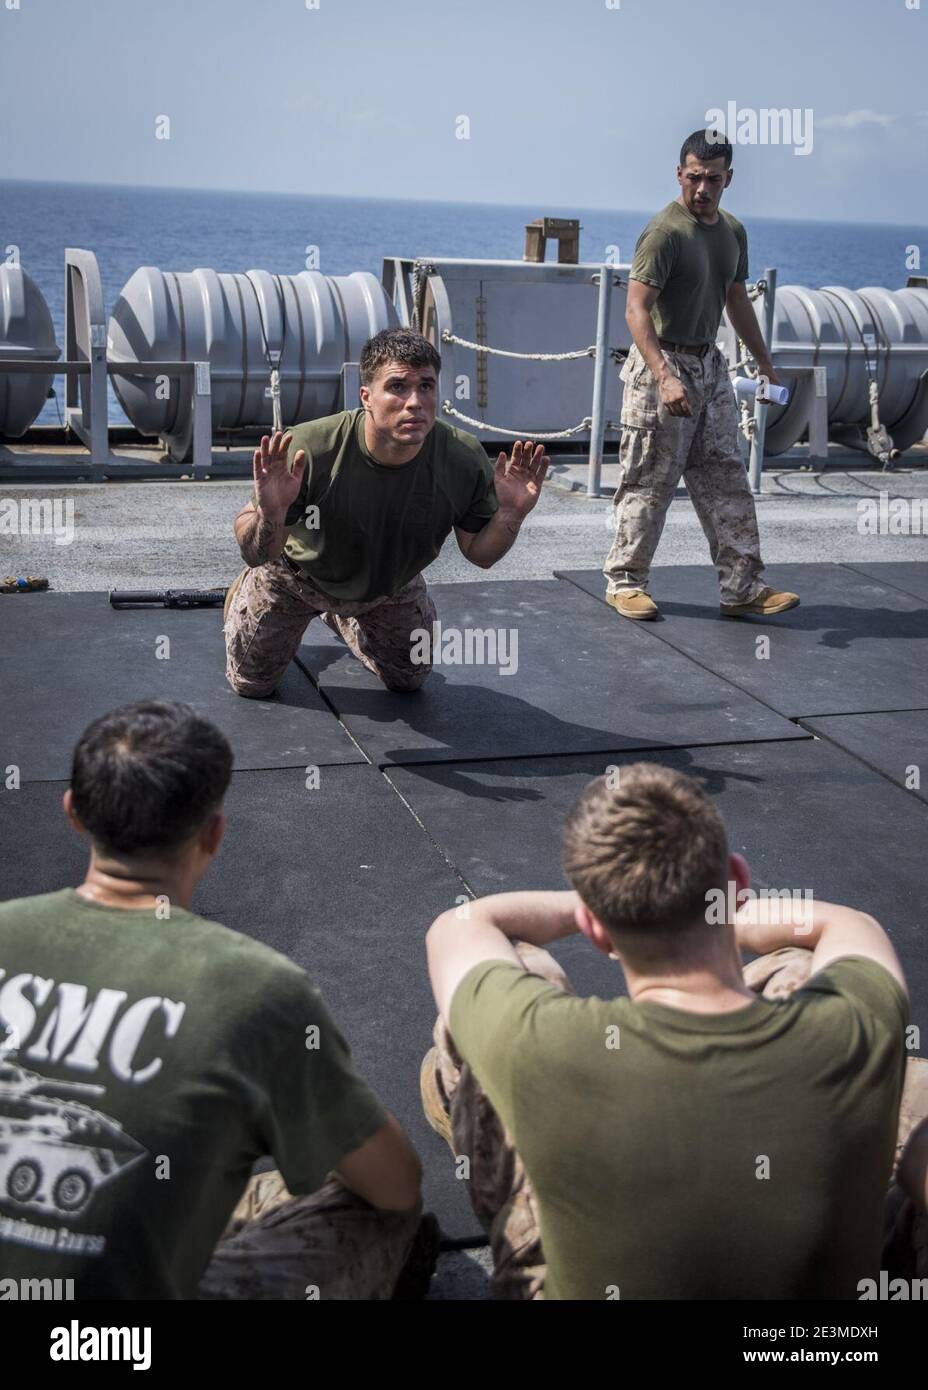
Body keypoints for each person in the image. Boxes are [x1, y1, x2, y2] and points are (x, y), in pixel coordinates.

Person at [422, 761, 923, 1300]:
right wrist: (722, 911)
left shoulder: (539, 1044)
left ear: (594, 927)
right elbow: (849, 926)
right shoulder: (857, 1028)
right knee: (798, 963)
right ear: (736, 881)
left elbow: (462, 925)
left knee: (473, 1023)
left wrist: (609, 901)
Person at [0, 700, 432, 1300]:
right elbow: (396, 1184)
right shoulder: (257, 991)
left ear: (72, 813)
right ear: (214, 833)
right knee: (365, 1205)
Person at [225, 327, 548, 697]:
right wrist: (271, 514)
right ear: (366, 397)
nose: (414, 402)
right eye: (397, 387)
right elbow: (256, 552)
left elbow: (481, 555)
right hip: (300, 578)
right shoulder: (309, 449)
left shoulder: (461, 458)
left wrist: (511, 515)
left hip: (389, 585)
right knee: (251, 685)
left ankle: (344, 616)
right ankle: (247, 597)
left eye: (426, 386)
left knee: (409, 679)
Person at [604, 128, 800, 621]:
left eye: (712, 178)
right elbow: (635, 310)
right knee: (649, 478)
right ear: (679, 174)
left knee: (725, 477)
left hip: (710, 366)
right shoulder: (664, 233)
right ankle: (625, 582)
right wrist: (664, 375)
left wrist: (764, 360)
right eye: (693, 177)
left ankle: (742, 586)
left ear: (728, 178)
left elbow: (736, 299)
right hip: (660, 367)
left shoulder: (732, 231)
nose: (702, 188)